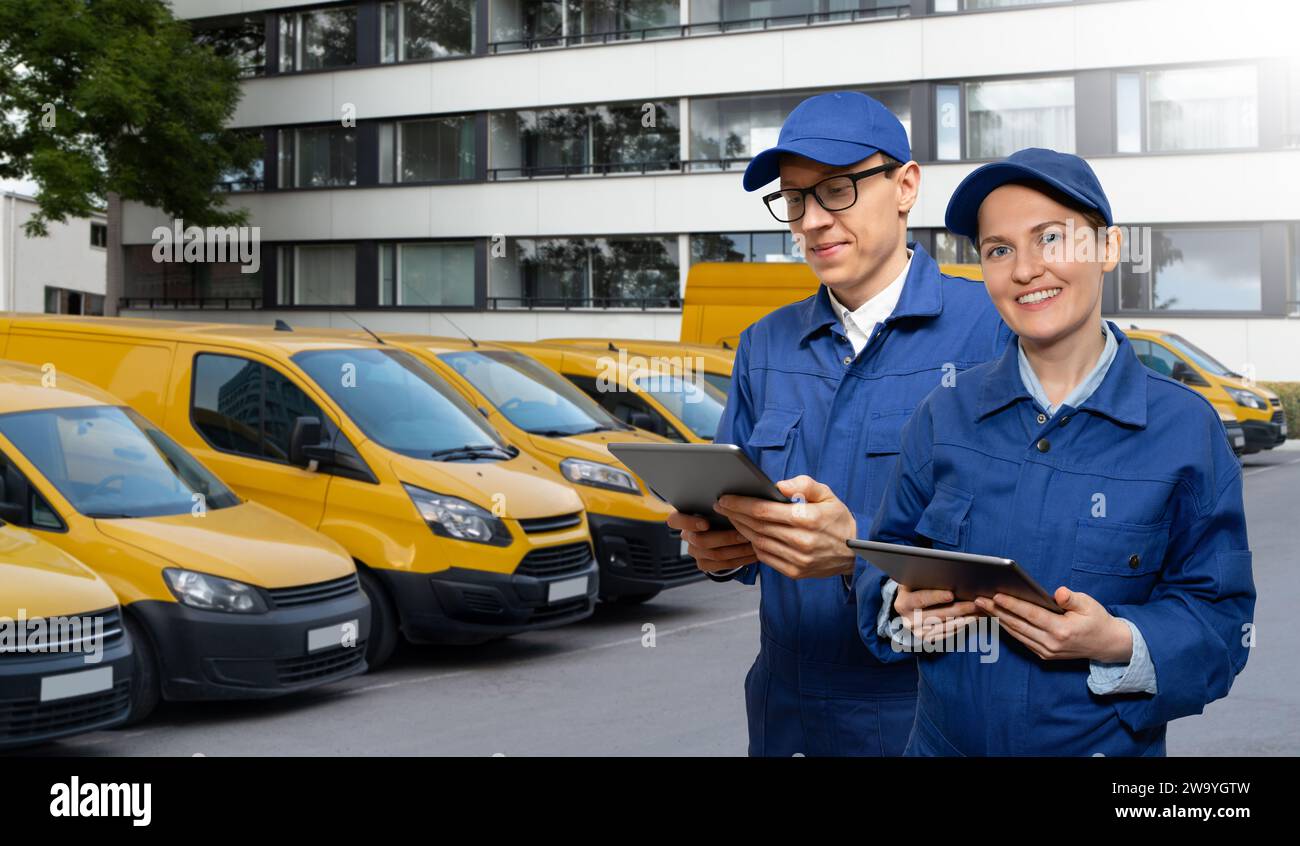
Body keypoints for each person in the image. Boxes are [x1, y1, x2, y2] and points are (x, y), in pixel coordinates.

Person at [858, 147, 1256, 756]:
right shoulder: (943, 413)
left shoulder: (1185, 430)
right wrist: (900, 607)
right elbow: (881, 567)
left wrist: (1118, 640)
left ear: (1108, 248)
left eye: (1051, 238)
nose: (1025, 269)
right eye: (999, 250)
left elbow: (1224, 625)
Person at [667, 91, 1011, 756]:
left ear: (906, 185)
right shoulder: (763, 346)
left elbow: (1022, 557)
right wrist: (717, 551)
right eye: (795, 200)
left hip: (927, 718)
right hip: (785, 719)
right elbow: (737, 509)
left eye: (837, 189)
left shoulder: (993, 335)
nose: (813, 221)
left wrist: (858, 557)